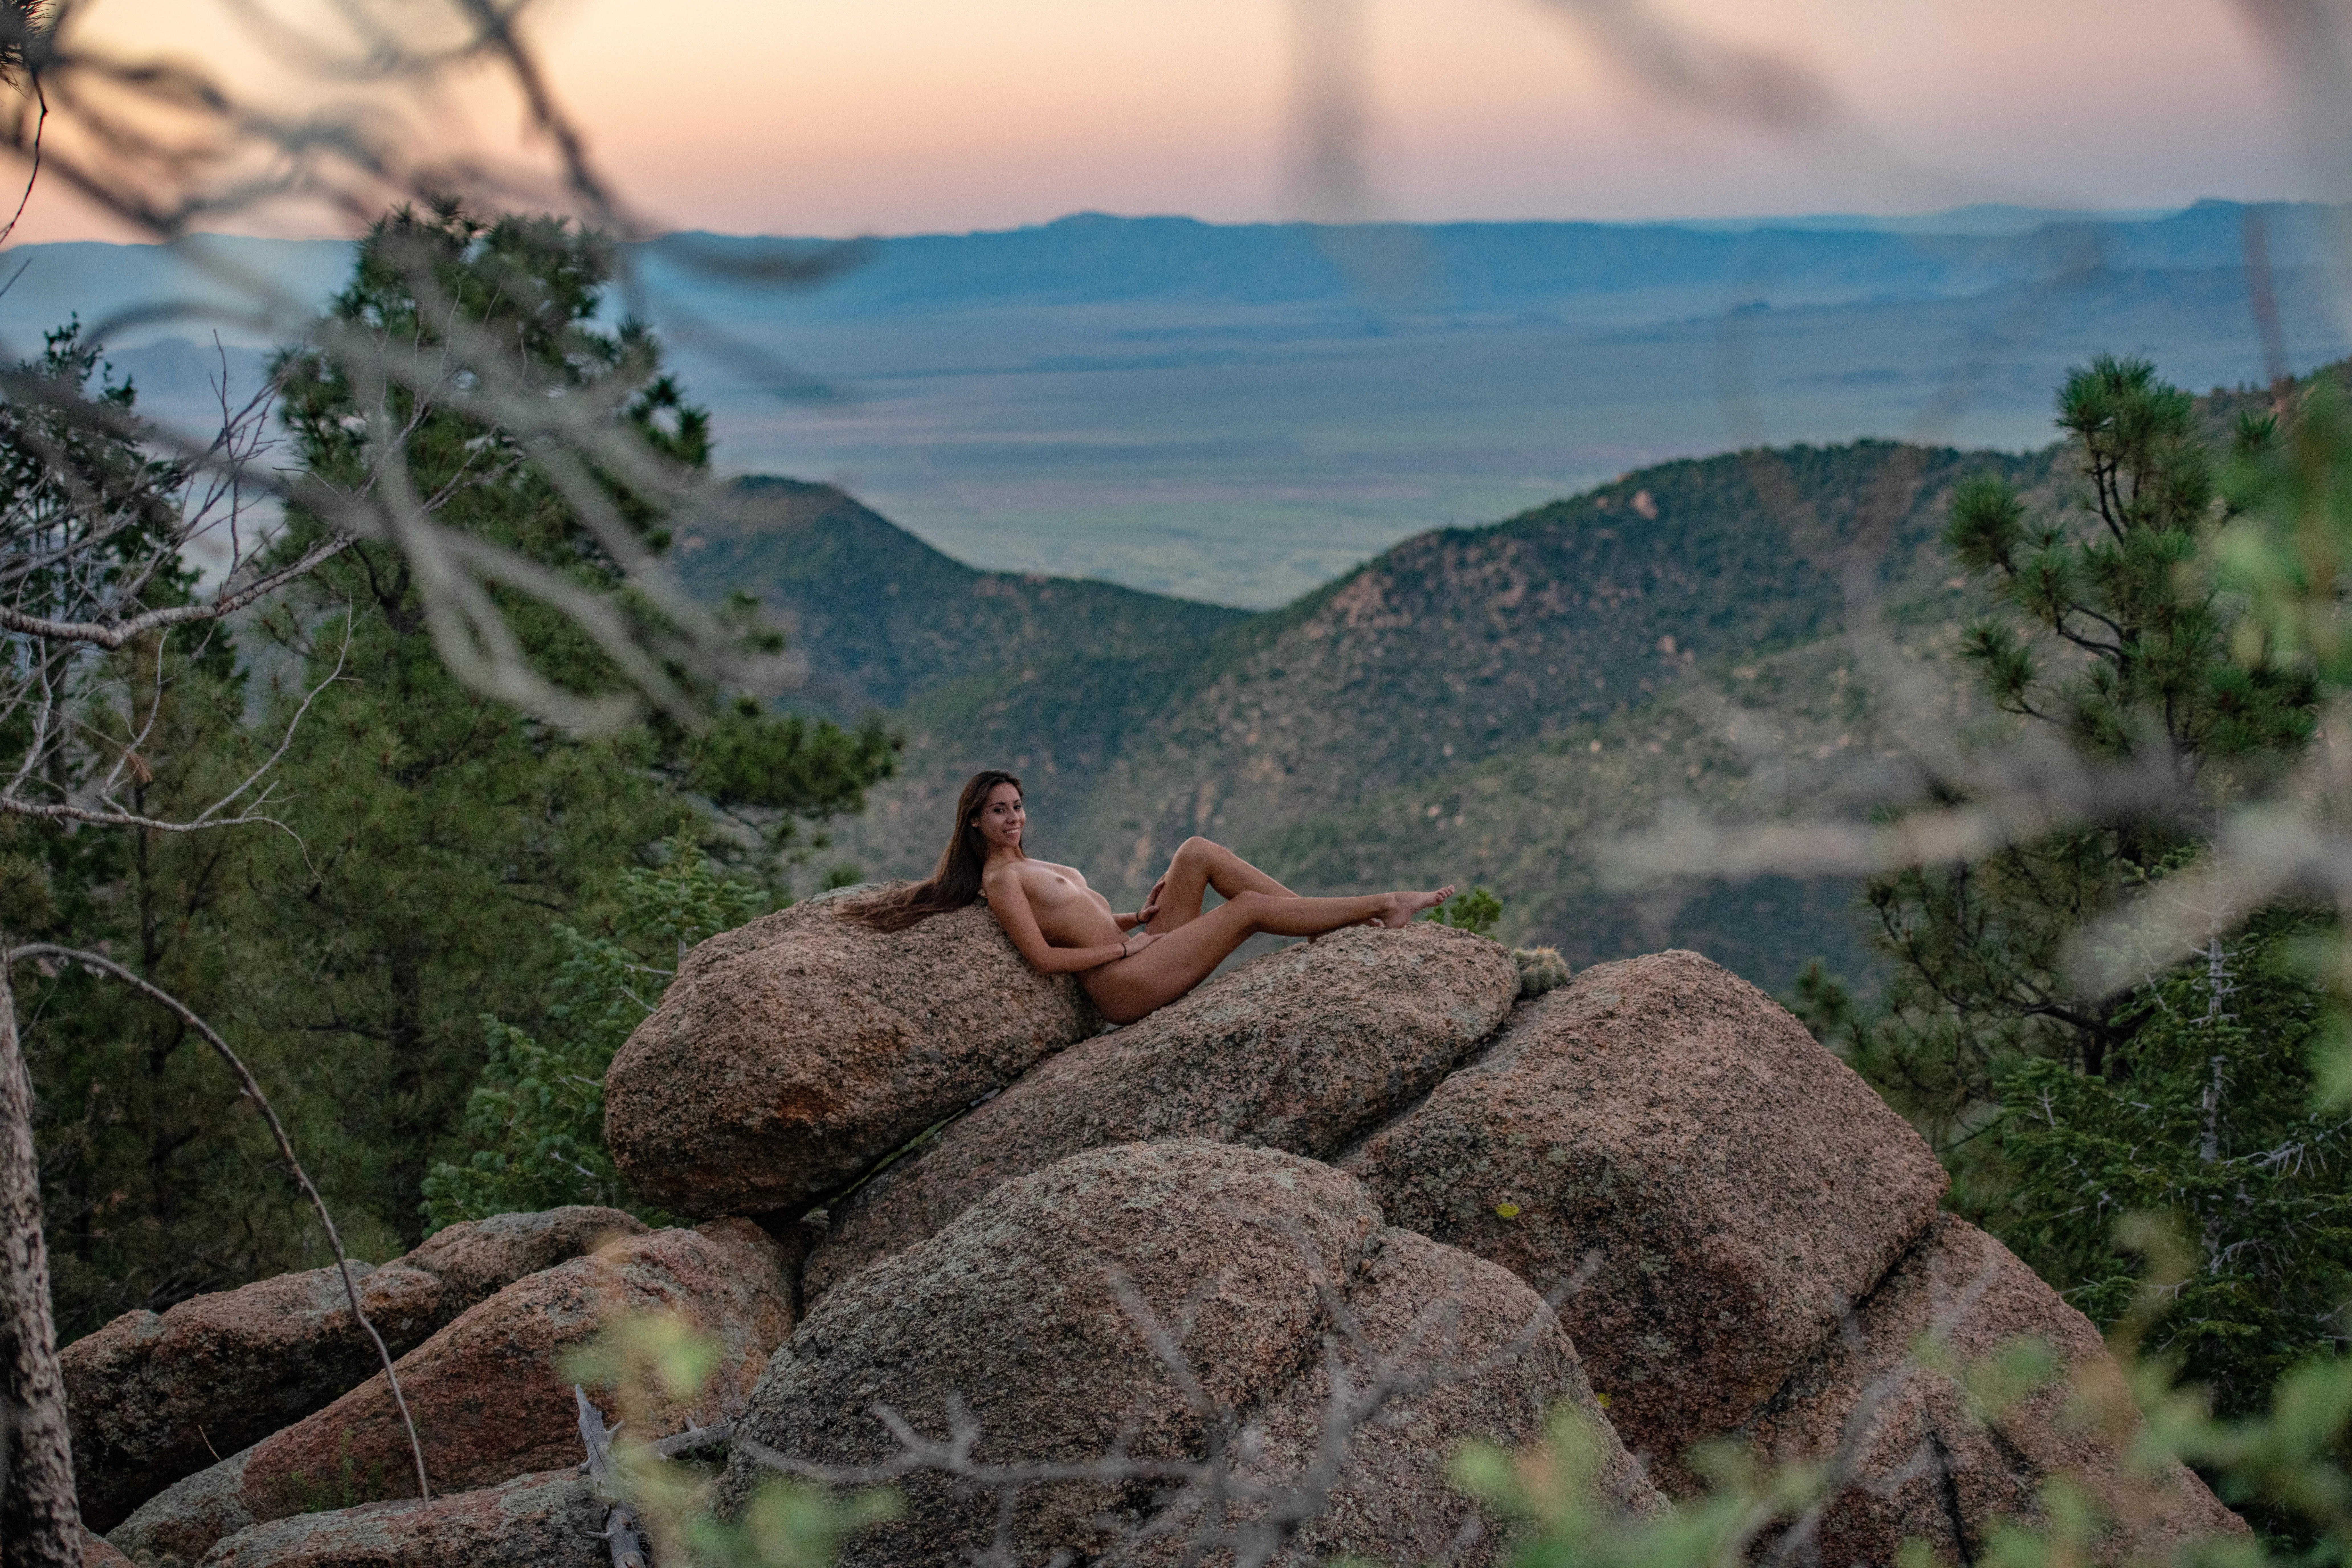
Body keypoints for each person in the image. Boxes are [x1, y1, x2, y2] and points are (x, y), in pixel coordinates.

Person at [846, 768, 1454, 1024]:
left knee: (1196, 851)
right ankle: (1382, 904)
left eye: (1018, 806)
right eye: (999, 811)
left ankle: (1318, 925)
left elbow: (1081, 919)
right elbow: (1045, 958)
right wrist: (1118, 955)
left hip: (1137, 948)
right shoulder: (1001, 881)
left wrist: (1139, 917)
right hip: (1123, 985)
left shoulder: (1028, 863)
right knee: (1245, 911)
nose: (1014, 818)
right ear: (975, 821)